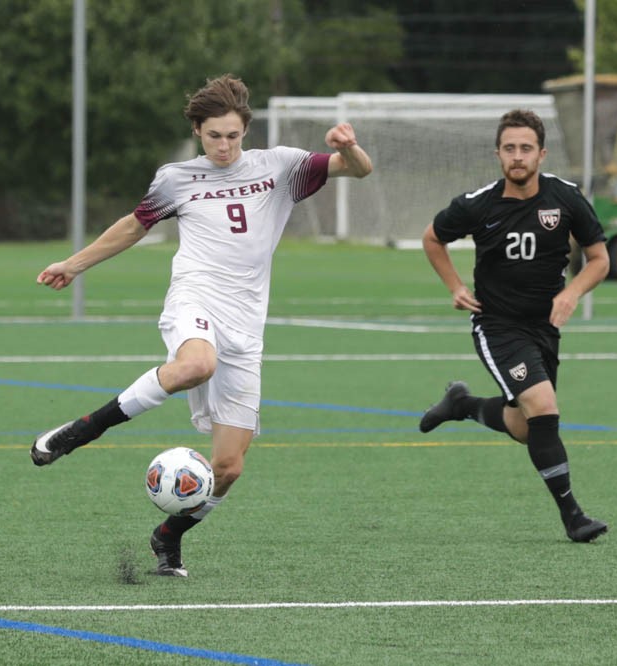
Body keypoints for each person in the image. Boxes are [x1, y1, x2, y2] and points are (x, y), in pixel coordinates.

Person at [30, 74, 372, 577]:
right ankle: (82, 430)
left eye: (233, 135)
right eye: (215, 136)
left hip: (246, 322)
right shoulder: (176, 178)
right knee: (196, 364)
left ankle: (169, 537)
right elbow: (133, 225)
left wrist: (351, 147)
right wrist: (74, 264)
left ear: (245, 131)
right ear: (198, 132)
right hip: (196, 295)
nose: (225, 146)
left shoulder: (280, 166)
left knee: (228, 469)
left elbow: (357, 170)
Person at [418, 109, 610, 543]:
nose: (517, 157)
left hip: (544, 328)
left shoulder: (566, 198)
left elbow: (600, 259)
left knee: (526, 429)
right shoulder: (479, 204)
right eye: (510, 149)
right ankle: (574, 518)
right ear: (497, 154)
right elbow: (433, 238)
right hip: (497, 325)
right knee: (543, 409)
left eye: (526, 148)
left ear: (541, 153)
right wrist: (454, 286)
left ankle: (462, 404)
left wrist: (571, 292)